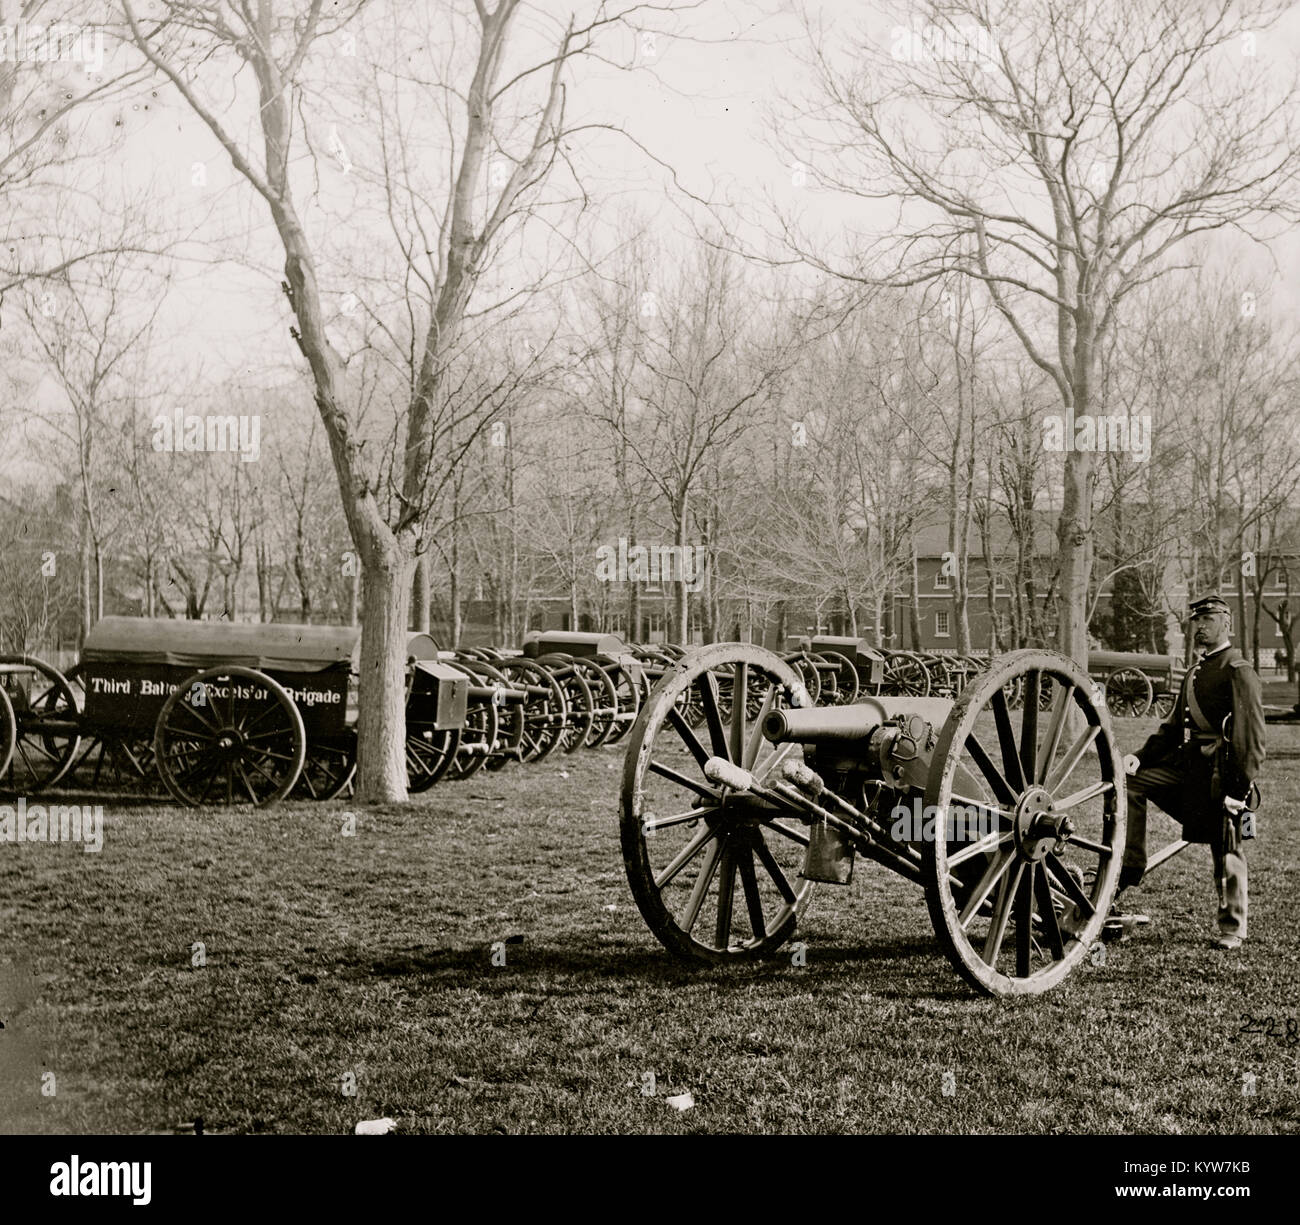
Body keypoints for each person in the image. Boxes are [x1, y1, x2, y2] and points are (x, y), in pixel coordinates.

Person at [1119, 595, 1265, 951]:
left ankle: (1233, 927)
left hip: (1223, 774)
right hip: (1190, 772)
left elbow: (1252, 739)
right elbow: (1172, 729)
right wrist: (1140, 756)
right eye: (1197, 621)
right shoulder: (1195, 671)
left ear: (1225, 624)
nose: (1200, 626)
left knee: (1226, 848)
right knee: (1132, 782)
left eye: (1209, 620)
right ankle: (1132, 862)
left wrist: (1238, 789)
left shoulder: (1238, 670)